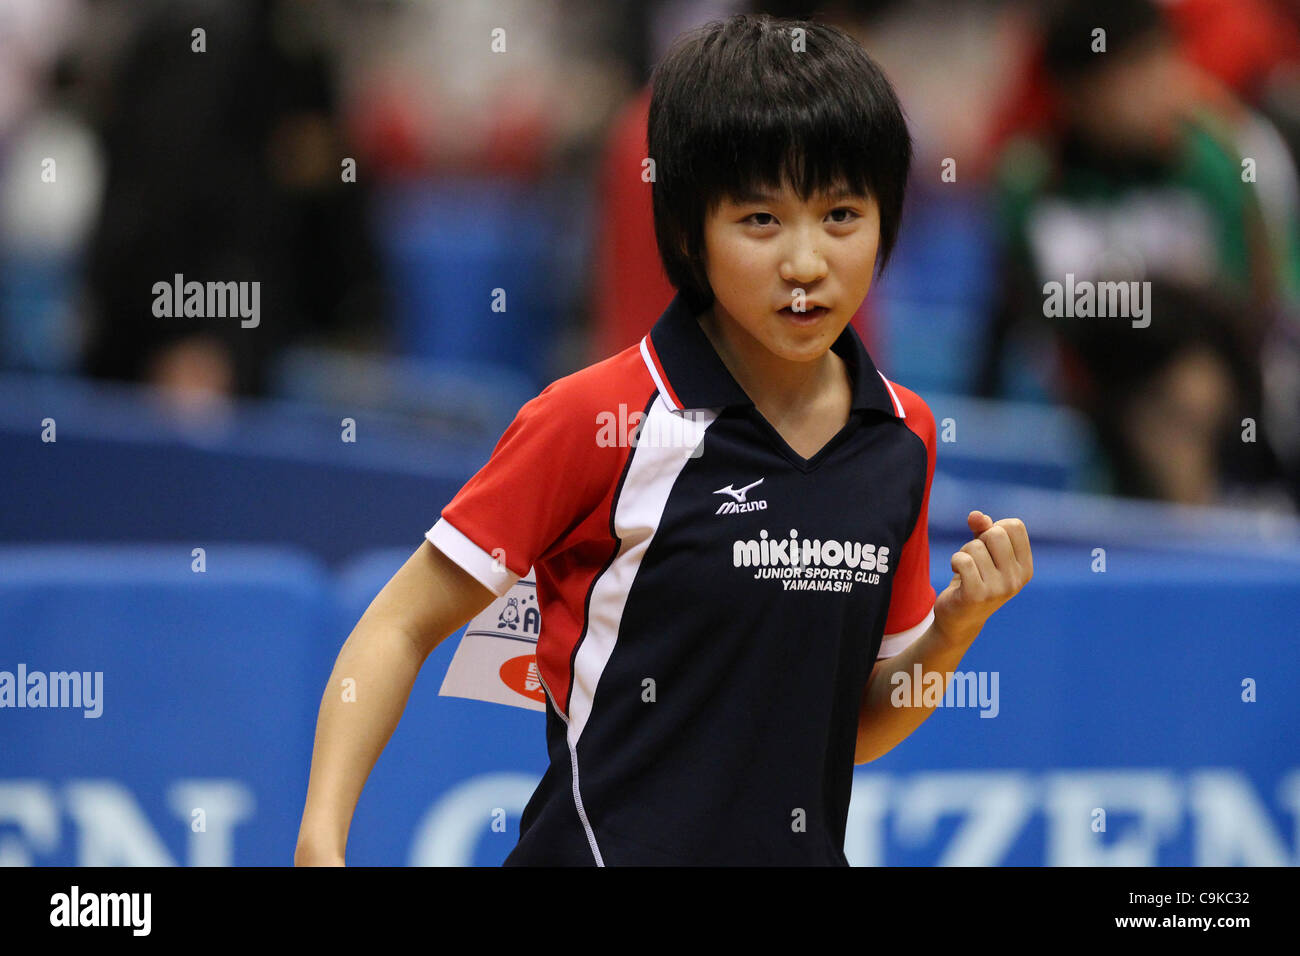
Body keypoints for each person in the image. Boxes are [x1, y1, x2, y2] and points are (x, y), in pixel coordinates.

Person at [295, 13, 1033, 867]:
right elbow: (398, 625)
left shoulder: (901, 437)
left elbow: (856, 730)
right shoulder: (595, 419)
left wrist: (956, 628)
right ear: (690, 233)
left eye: (841, 215)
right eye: (760, 220)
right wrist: (322, 836)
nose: (806, 261)